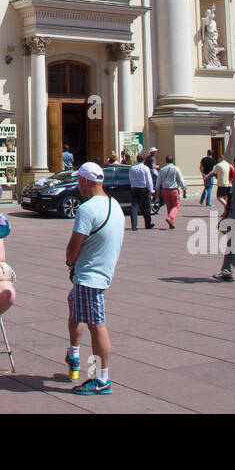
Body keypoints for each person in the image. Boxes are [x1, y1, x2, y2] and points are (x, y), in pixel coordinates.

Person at [64, 162, 124, 395]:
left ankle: (101, 378)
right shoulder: (114, 204)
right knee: (73, 304)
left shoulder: (86, 209)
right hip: (100, 271)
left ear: (86, 181)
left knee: (96, 325)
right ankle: (74, 352)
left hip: (90, 276)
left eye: (79, 180)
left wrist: (71, 263)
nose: (77, 184)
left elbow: (73, 247)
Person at [156, 154, 187, 229]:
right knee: (176, 205)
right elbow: (181, 180)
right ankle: (170, 217)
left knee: (169, 206)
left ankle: (171, 223)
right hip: (173, 190)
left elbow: (158, 181)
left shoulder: (162, 169)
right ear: (172, 160)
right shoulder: (175, 169)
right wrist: (184, 189)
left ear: (165, 161)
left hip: (165, 190)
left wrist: (157, 190)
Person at [127, 151, 154, 231]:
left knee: (134, 207)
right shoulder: (145, 168)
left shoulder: (132, 168)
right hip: (143, 189)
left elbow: (130, 178)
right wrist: (151, 190)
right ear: (144, 160)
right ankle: (148, 224)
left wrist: (132, 185)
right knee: (145, 207)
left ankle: (134, 225)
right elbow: (149, 180)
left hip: (134, 188)